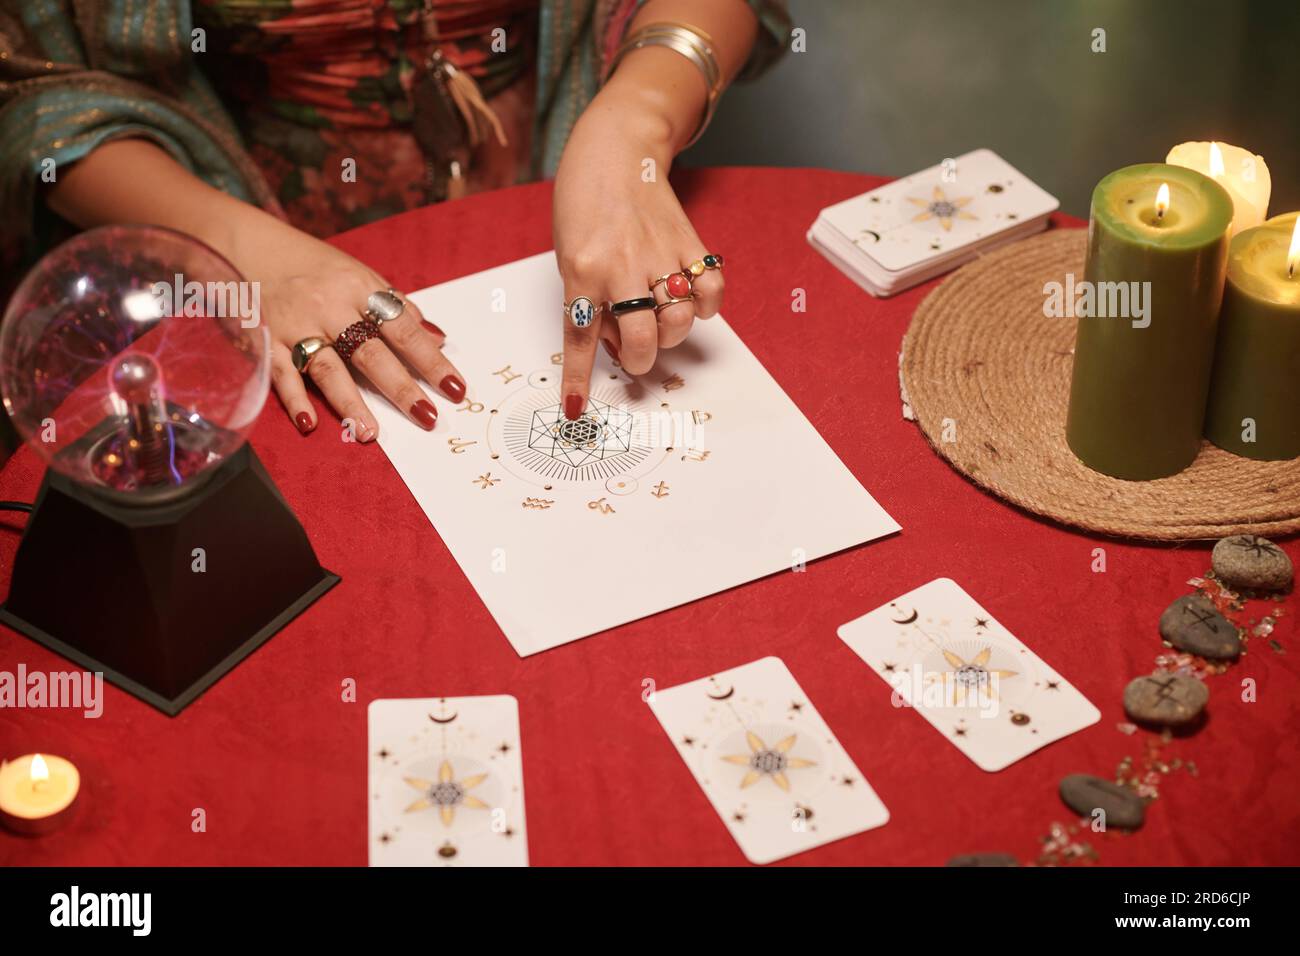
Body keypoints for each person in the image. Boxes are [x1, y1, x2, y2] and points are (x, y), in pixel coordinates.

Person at [0, 0, 788, 440]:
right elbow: (26, 96)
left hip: (557, 189)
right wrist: (235, 250)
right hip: (237, 230)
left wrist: (636, 122)